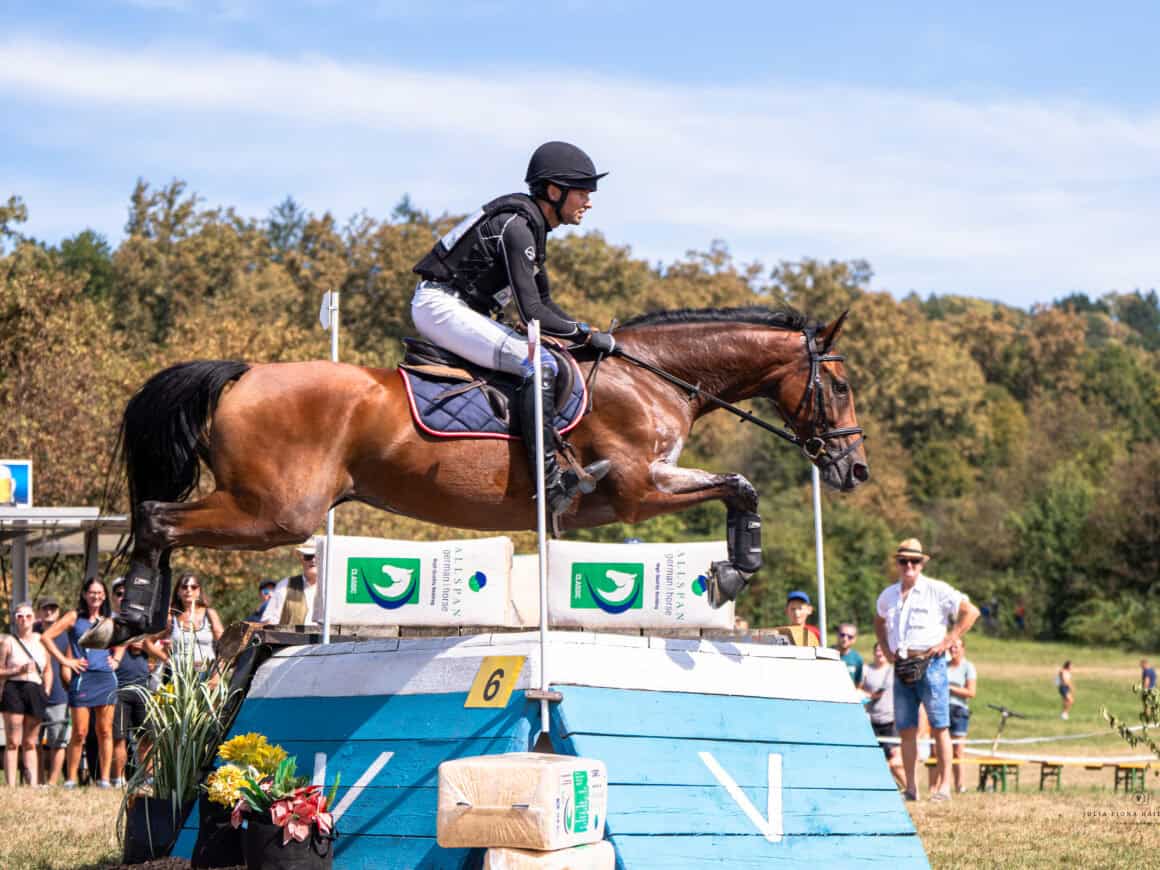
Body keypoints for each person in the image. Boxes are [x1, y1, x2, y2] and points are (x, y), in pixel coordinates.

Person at [410, 140, 615, 516]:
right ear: (554, 191)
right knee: (540, 364)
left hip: (461, 308)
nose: (588, 201)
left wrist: (581, 333)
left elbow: (546, 305)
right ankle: (550, 481)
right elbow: (533, 312)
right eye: (582, 192)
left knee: (551, 355)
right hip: (441, 307)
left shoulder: (529, 229)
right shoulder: (516, 228)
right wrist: (586, 334)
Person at [874, 538, 979, 802]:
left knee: (939, 725)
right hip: (902, 664)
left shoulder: (937, 590)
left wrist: (949, 639)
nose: (909, 565)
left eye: (914, 561)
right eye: (903, 561)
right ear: (897, 564)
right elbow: (878, 619)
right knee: (907, 728)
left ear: (922, 563)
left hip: (931, 664)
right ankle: (911, 788)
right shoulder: (888, 595)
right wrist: (886, 650)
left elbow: (971, 611)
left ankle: (943, 787)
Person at [40, 578, 118, 788]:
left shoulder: (109, 619)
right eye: (92, 592)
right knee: (80, 732)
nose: (96, 596)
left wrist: (116, 658)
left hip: (105, 679)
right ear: (84, 594)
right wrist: (66, 660)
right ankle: (71, 780)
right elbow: (46, 637)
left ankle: (104, 779)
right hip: (83, 679)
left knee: (105, 731)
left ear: (104, 596)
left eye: (99, 593)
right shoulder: (74, 617)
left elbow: (124, 640)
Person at [109, 578, 155, 786]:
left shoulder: (142, 622)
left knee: (148, 736)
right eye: (119, 594)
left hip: (143, 687)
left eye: (127, 594)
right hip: (118, 687)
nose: (123, 598)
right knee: (119, 737)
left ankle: (149, 778)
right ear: (113, 598)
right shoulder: (109, 622)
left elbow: (152, 645)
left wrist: (148, 648)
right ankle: (119, 779)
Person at [1, 602, 52, 786]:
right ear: (15, 619)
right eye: (19, 616)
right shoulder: (8, 641)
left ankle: (32, 784)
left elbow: (48, 670)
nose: (24, 620)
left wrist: (46, 690)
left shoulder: (41, 640)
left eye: (28, 616)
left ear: (34, 619)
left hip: (35, 689)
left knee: (30, 742)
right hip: (14, 689)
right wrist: (17, 670)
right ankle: (11, 784)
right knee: (13, 741)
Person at [149, 572, 223, 675]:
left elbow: (225, 645)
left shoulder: (209, 614)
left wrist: (217, 673)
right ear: (178, 592)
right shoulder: (172, 617)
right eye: (184, 587)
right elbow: (147, 642)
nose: (188, 590)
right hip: (177, 675)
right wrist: (166, 660)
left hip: (204, 675)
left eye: (193, 587)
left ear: (199, 591)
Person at [34, 597, 70, 785]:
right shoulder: (31, 632)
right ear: (39, 612)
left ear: (58, 611)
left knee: (58, 741)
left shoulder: (66, 634)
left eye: (53, 608)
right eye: (45, 608)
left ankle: (52, 782)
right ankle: (38, 781)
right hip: (34, 696)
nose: (49, 612)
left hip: (60, 695)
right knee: (34, 743)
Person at [863, 642, 905, 788]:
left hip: (891, 720)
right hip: (872, 720)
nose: (879, 653)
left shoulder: (892, 671)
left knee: (894, 760)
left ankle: (908, 786)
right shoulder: (866, 669)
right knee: (876, 758)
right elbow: (859, 687)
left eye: (882, 650)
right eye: (877, 650)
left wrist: (865, 694)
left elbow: (878, 693)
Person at [262, 541, 323, 627]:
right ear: (302, 560)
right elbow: (268, 620)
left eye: (318, 556)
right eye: (308, 557)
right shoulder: (285, 585)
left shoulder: (332, 589)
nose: (313, 560)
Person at [946, 637, 977, 793]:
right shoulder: (943, 666)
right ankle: (942, 784)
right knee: (942, 749)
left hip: (959, 711)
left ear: (963, 649)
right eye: (951, 647)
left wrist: (950, 688)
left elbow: (971, 692)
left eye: (956, 647)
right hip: (943, 709)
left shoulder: (968, 667)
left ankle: (960, 785)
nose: (953, 650)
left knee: (958, 750)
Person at [837, 622, 864, 689]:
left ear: (854, 639)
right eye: (842, 635)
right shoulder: (826, 654)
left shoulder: (857, 659)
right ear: (837, 635)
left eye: (850, 637)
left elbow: (858, 683)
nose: (845, 639)